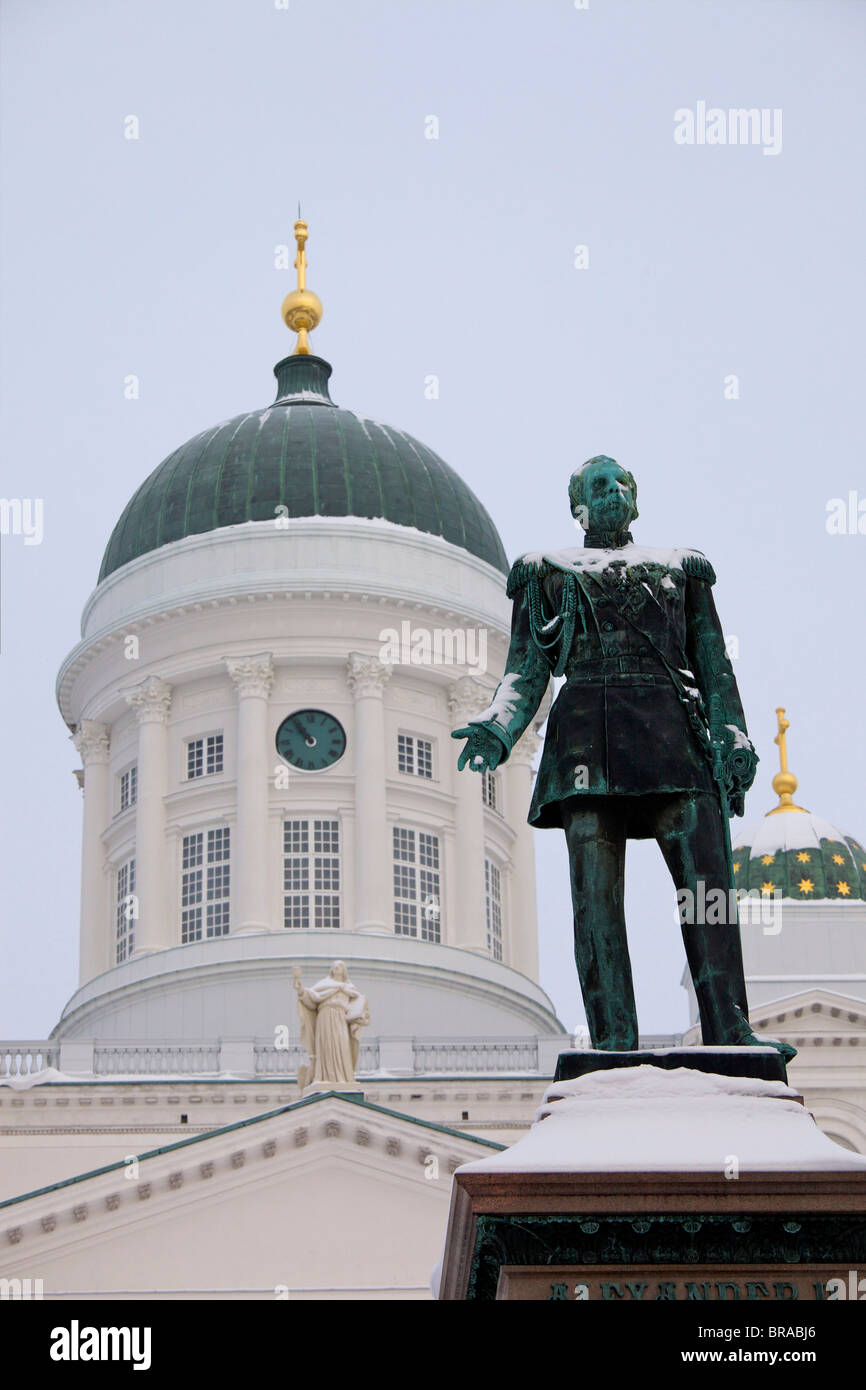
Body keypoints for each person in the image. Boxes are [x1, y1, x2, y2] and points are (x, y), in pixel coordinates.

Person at [453, 454, 791, 1058]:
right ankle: (612, 1044)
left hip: (674, 741)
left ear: (635, 497)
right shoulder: (545, 572)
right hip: (587, 743)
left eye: (619, 485)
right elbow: (526, 669)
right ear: (578, 506)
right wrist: (499, 727)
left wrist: (732, 736)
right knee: (595, 902)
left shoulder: (681, 570)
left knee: (707, 892)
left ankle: (729, 1029)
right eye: (597, 487)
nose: (610, 494)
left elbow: (714, 666)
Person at [293, 960, 370, 1090]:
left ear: (344, 970)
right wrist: (300, 990)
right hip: (325, 1018)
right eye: (333, 967)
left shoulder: (350, 988)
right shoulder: (324, 984)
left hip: (340, 1019)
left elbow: (357, 1006)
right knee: (326, 1045)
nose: (336, 968)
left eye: (339, 966)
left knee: (342, 1045)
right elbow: (311, 1000)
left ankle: (343, 1077)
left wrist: (360, 1016)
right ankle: (323, 1077)